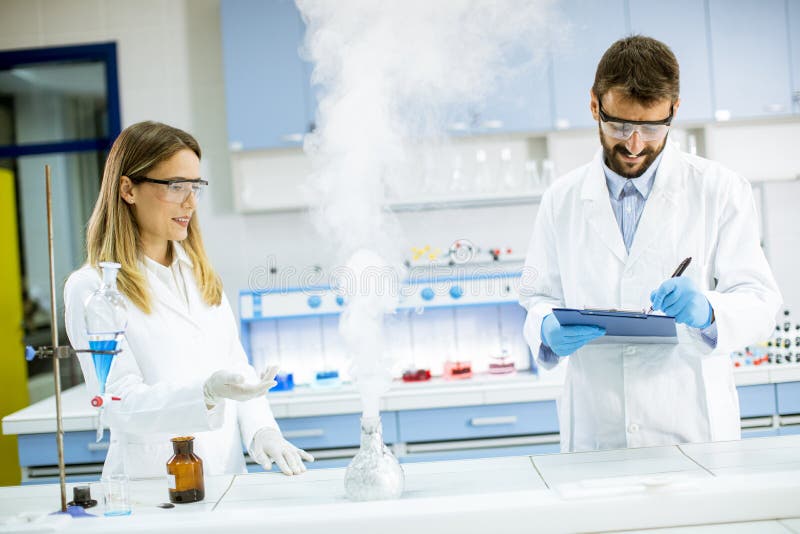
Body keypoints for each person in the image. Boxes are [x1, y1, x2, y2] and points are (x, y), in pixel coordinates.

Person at [519, 36, 782, 453]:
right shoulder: (561, 198)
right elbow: (536, 296)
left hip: (692, 429)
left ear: (674, 111)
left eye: (651, 127)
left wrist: (710, 310)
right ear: (594, 105)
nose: (635, 144)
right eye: (620, 125)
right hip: (596, 433)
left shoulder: (720, 190)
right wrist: (545, 328)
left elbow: (761, 302)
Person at [65, 121, 314, 478]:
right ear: (128, 189)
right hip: (152, 487)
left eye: (195, 186)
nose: (190, 202)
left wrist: (262, 429)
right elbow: (117, 401)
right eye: (176, 186)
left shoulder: (199, 274)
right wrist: (206, 393)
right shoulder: (92, 288)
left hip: (225, 479)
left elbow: (235, 367)